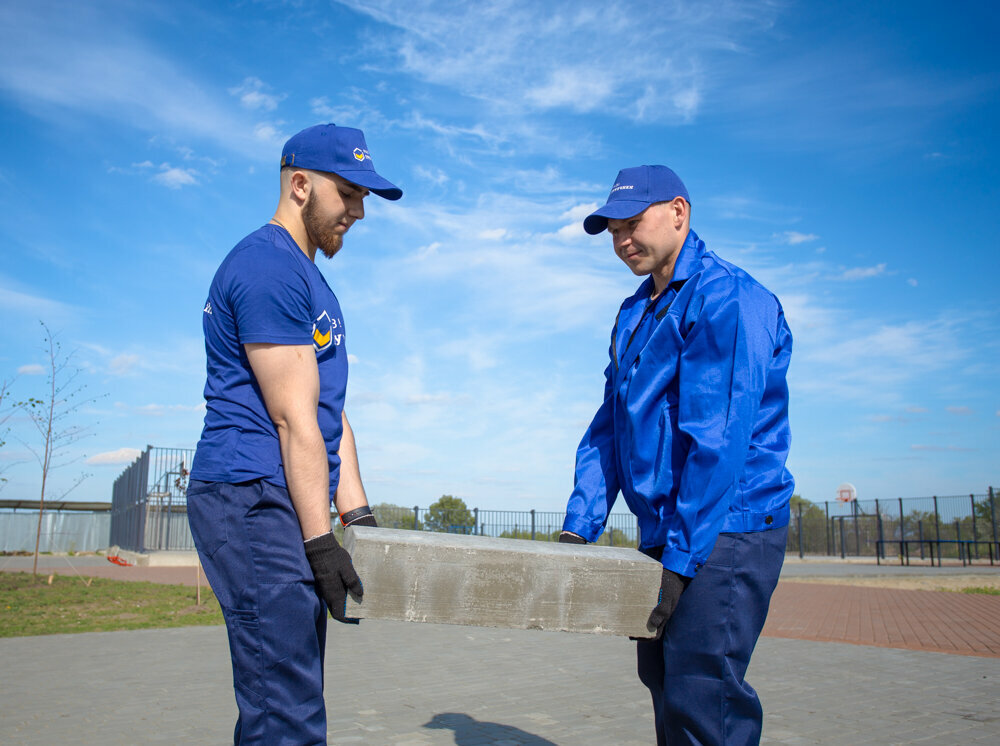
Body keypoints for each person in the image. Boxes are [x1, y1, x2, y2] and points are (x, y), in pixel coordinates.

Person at [559, 165, 794, 745]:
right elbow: (611, 424)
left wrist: (682, 560)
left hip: (725, 530)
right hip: (666, 530)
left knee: (703, 697)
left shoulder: (728, 298)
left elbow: (718, 440)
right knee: (664, 683)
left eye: (632, 223)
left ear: (678, 213)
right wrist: (579, 527)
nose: (622, 240)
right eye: (613, 230)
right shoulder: (635, 311)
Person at [187, 123, 402, 745]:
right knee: (285, 707)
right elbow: (292, 418)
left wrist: (357, 518)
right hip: (252, 493)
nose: (358, 212)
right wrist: (318, 542)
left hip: (281, 490)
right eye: (348, 194)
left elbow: (330, 411)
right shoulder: (267, 266)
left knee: (291, 692)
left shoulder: (305, 275)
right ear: (300, 185)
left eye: (364, 198)